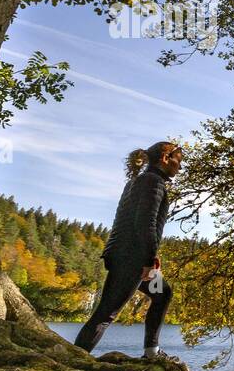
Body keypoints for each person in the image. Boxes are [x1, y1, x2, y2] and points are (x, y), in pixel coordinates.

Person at [74, 141, 182, 358]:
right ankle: (74, 360)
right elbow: (146, 222)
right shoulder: (154, 182)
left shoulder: (139, 181)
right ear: (165, 158)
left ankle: (152, 351)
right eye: (178, 160)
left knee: (162, 293)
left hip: (126, 253)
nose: (180, 167)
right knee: (106, 313)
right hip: (130, 257)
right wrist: (148, 258)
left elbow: (133, 222)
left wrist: (151, 254)